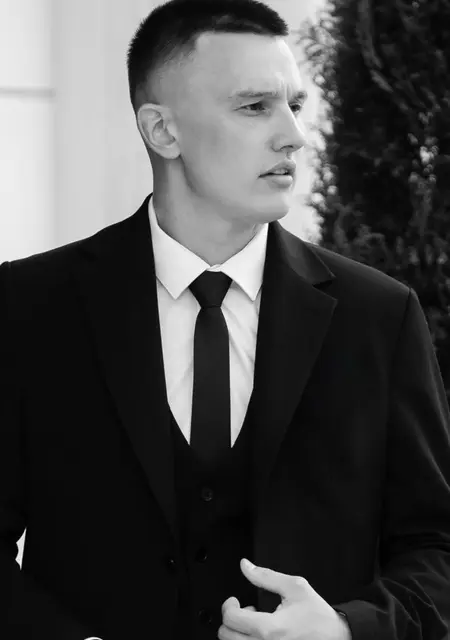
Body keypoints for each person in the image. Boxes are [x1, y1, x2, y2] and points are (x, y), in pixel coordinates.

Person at [1, 0, 450, 638]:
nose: (293, 135)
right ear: (163, 130)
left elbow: (437, 547)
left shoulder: (379, 316)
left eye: (295, 105)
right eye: (254, 106)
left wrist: (347, 629)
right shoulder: (29, 306)